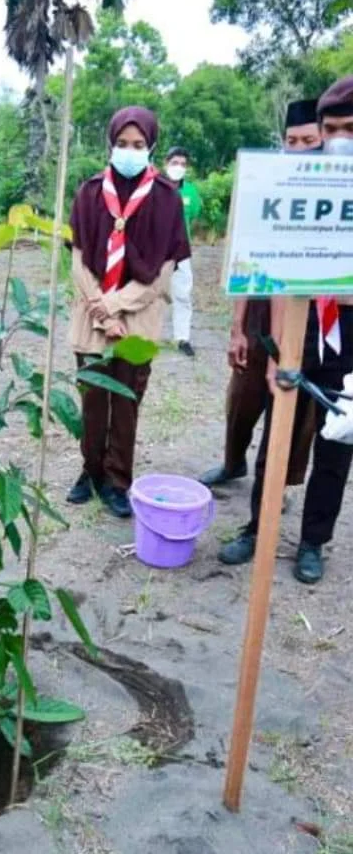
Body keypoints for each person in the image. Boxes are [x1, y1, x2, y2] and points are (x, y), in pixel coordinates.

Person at [219, 76, 353, 584]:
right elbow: (275, 274)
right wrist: (276, 354)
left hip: (349, 340)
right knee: (277, 434)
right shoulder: (297, 187)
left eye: (348, 129)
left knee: (337, 445)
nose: (338, 139)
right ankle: (259, 527)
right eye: (332, 128)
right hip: (297, 331)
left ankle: (314, 540)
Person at [66, 106, 191, 519]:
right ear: (111, 144)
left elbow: (162, 276)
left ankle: (119, 480)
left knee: (127, 403)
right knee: (94, 401)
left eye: (138, 145)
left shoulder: (167, 199)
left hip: (138, 317)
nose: (129, 151)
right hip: (92, 314)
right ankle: (91, 471)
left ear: (151, 146)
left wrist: (116, 305)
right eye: (122, 144)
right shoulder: (88, 192)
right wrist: (101, 311)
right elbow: (78, 261)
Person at [199, 99, 322, 490]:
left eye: (308, 140)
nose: (298, 149)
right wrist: (237, 329)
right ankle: (233, 462)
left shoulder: (334, 193)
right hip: (259, 309)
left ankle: (276, 485)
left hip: (310, 317)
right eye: (291, 140)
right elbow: (244, 263)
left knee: (294, 410)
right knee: (243, 396)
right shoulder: (266, 185)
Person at [163, 146, 202, 357]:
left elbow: (194, 214)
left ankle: (182, 338)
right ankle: (143, 335)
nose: (179, 167)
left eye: (183, 164)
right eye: (175, 163)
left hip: (181, 250)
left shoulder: (191, 192)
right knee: (150, 293)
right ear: (165, 163)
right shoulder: (154, 187)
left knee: (182, 294)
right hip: (156, 249)